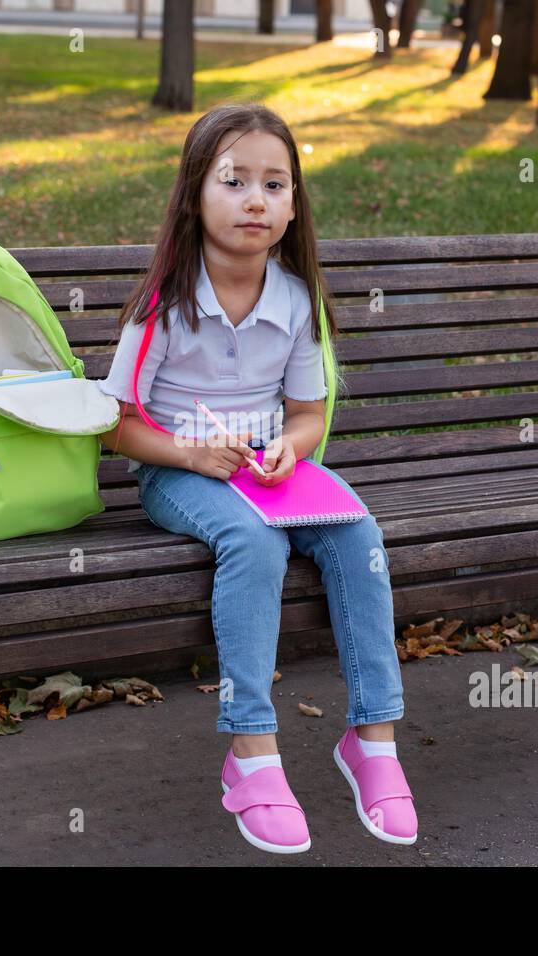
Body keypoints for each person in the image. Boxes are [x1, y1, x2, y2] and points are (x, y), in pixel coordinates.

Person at [97, 102, 415, 854]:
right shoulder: (164, 305)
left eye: (275, 185)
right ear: (193, 196)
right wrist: (191, 455)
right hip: (180, 471)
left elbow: (307, 413)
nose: (255, 200)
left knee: (358, 536)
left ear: (293, 203)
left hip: (271, 474)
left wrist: (293, 451)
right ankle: (251, 751)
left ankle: (373, 742)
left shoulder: (297, 300)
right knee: (253, 544)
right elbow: (114, 425)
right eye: (234, 181)